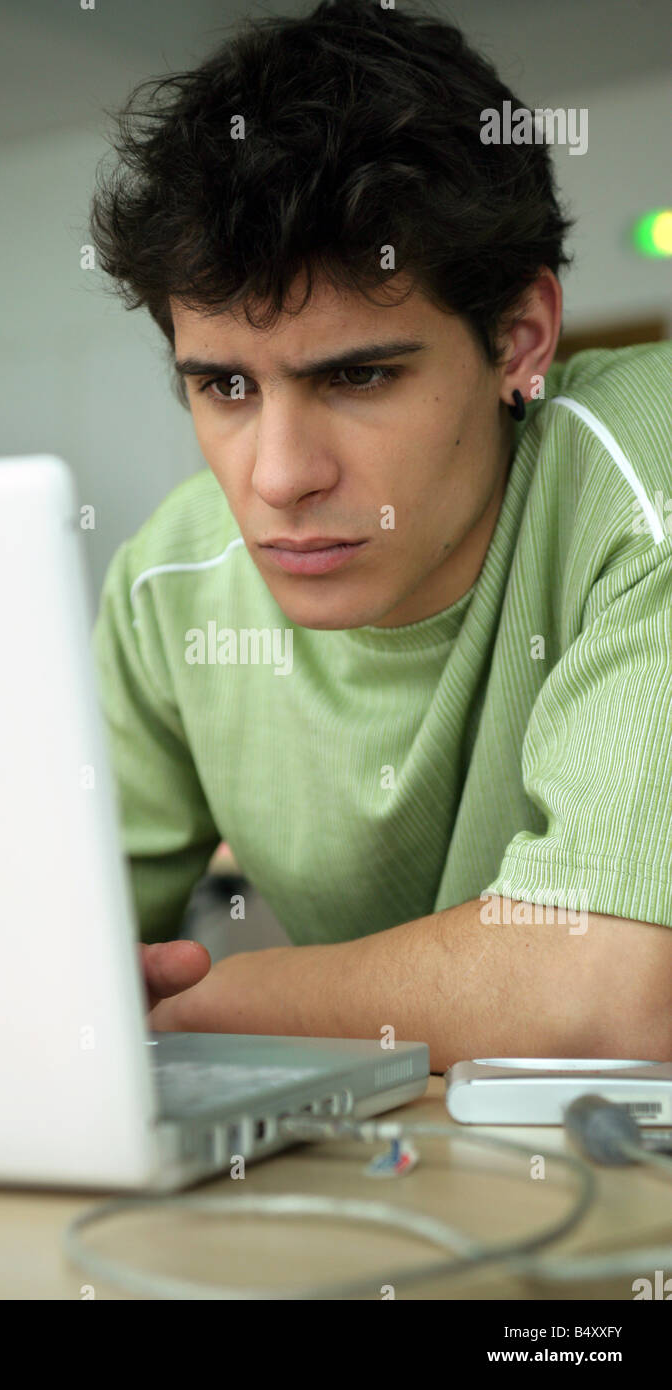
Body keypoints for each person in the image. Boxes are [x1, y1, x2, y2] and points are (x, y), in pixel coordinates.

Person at [88, 0, 672, 1071]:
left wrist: (212, 999)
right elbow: (24, 955)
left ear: (518, 340)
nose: (276, 477)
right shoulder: (166, 584)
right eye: (223, 384)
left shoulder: (646, 472)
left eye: (356, 376)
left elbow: (617, 992)